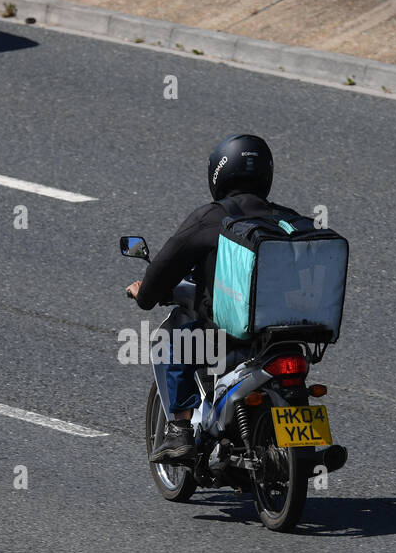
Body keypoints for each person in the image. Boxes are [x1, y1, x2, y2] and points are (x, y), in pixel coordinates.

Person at [126, 134, 299, 464]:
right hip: (283, 334)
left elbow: (165, 266)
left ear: (219, 174)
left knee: (172, 341)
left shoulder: (211, 217)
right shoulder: (286, 220)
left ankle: (179, 432)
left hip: (231, 336)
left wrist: (145, 294)